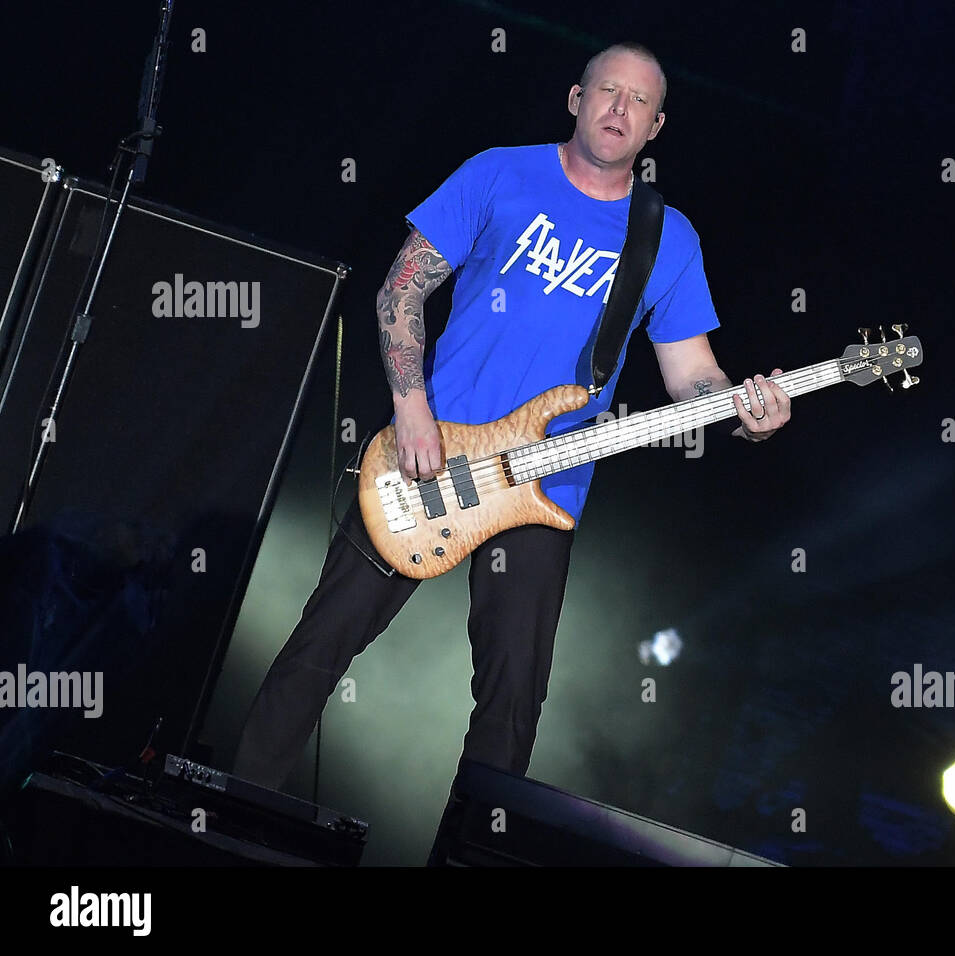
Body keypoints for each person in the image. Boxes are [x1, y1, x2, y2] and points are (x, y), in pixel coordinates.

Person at [231, 41, 791, 795]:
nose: (620, 108)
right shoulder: (498, 172)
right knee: (318, 648)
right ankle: (233, 819)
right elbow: (399, 292)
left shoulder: (668, 237)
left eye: (640, 101)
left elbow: (693, 375)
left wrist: (742, 414)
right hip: (426, 459)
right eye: (607, 91)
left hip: (542, 489)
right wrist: (414, 412)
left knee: (511, 709)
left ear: (657, 126)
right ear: (575, 98)